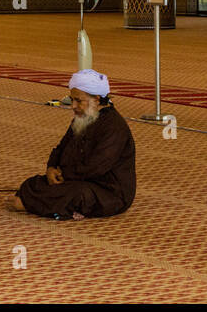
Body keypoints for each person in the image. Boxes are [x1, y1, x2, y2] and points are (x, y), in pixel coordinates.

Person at [8, 69, 135, 220]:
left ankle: (29, 205)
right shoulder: (83, 118)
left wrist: (64, 175)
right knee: (32, 183)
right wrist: (51, 168)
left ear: (96, 99)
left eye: (78, 101)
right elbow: (61, 147)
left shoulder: (114, 126)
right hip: (76, 179)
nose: (73, 106)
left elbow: (96, 166)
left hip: (108, 192)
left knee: (78, 195)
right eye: (72, 100)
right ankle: (42, 204)